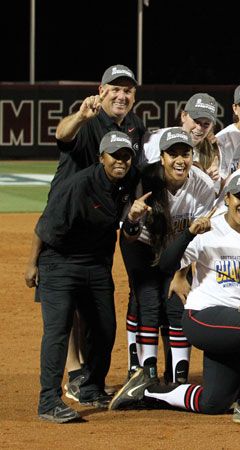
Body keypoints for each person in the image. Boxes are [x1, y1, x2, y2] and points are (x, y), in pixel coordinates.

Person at [110, 173, 240, 427]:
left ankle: (147, 391)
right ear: (227, 198)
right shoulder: (210, 228)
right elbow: (167, 265)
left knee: (214, 403)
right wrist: (189, 234)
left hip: (233, 326)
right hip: (202, 316)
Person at [25, 65, 146, 399]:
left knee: (92, 302)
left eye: (128, 90)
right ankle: (76, 371)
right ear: (101, 90)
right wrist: (79, 116)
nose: (122, 95)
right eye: (115, 89)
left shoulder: (135, 126)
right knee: (68, 306)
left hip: (102, 220)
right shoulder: (89, 117)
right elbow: (63, 135)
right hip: (69, 215)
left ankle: (86, 376)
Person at [35, 131, 139, 423]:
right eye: (114, 155)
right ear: (101, 157)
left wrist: (131, 221)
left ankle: (90, 388)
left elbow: (126, 229)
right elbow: (43, 228)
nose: (120, 161)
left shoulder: (126, 184)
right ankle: (48, 401)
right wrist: (33, 267)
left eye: (125, 156)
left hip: (95, 265)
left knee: (104, 328)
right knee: (57, 331)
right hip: (60, 261)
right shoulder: (78, 185)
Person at [120, 129, 215, 387]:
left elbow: (198, 239)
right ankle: (143, 374)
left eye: (185, 154)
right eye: (172, 154)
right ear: (161, 158)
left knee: (176, 302)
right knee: (147, 300)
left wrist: (181, 274)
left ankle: (178, 377)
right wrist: (133, 218)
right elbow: (129, 233)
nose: (180, 160)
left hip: (180, 249)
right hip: (140, 244)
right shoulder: (145, 180)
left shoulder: (203, 185)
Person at [143, 93, 220, 182]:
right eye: (196, 121)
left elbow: (215, 192)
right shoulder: (155, 140)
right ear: (183, 116)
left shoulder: (210, 151)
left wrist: (208, 181)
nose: (199, 128)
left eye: (206, 124)